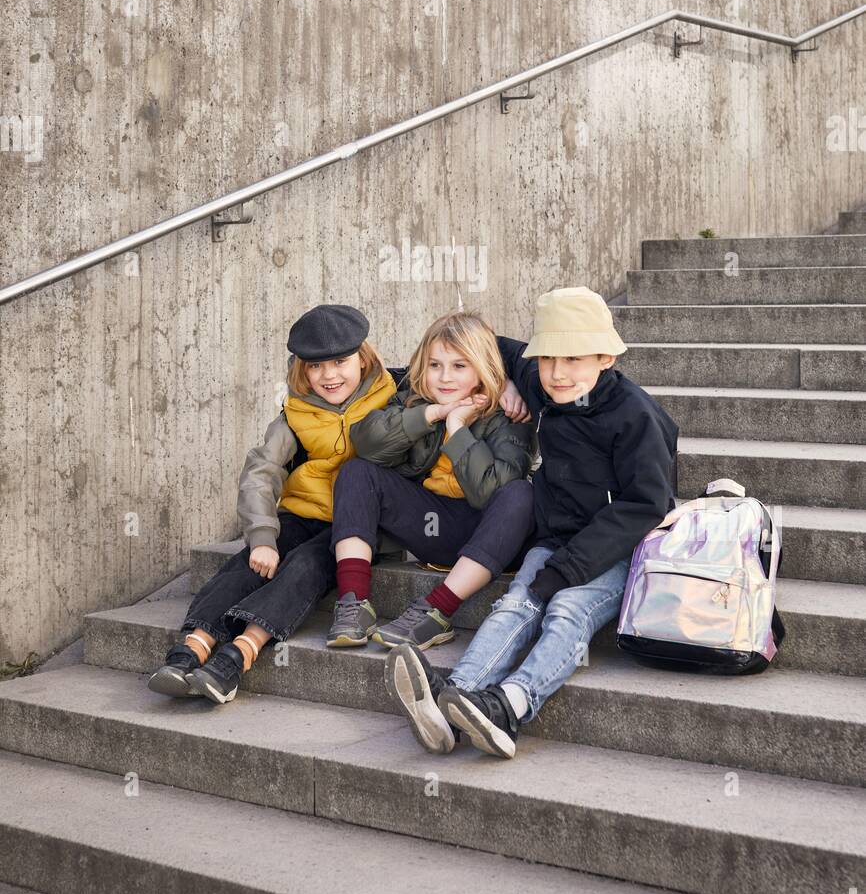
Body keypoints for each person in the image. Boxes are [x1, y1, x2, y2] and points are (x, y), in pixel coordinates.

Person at [385, 286, 678, 756]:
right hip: (555, 537)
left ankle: (509, 706)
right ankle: (453, 696)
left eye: (573, 360)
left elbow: (645, 507)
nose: (558, 375)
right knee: (516, 603)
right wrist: (502, 380)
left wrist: (564, 572)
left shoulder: (636, 416)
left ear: (605, 357)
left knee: (566, 611)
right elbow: (489, 343)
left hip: (620, 548)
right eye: (547, 361)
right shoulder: (541, 382)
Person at [148, 304, 397, 703]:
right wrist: (263, 535)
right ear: (301, 369)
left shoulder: (393, 397)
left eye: (339, 361)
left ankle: (238, 656)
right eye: (315, 367)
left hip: (358, 526)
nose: (329, 375)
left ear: (363, 358)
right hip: (303, 512)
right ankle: (192, 646)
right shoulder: (296, 411)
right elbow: (262, 471)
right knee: (253, 560)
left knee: (306, 565)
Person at [326, 310, 536, 651]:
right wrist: (433, 414)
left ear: (482, 367)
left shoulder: (509, 414)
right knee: (357, 471)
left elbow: (489, 492)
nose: (444, 377)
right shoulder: (415, 398)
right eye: (435, 365)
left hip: (492, 537)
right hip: (432, 527)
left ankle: (436, 611)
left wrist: (457, 429)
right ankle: (353, 603)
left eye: (459, 366)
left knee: (520, 493)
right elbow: (367, 442)